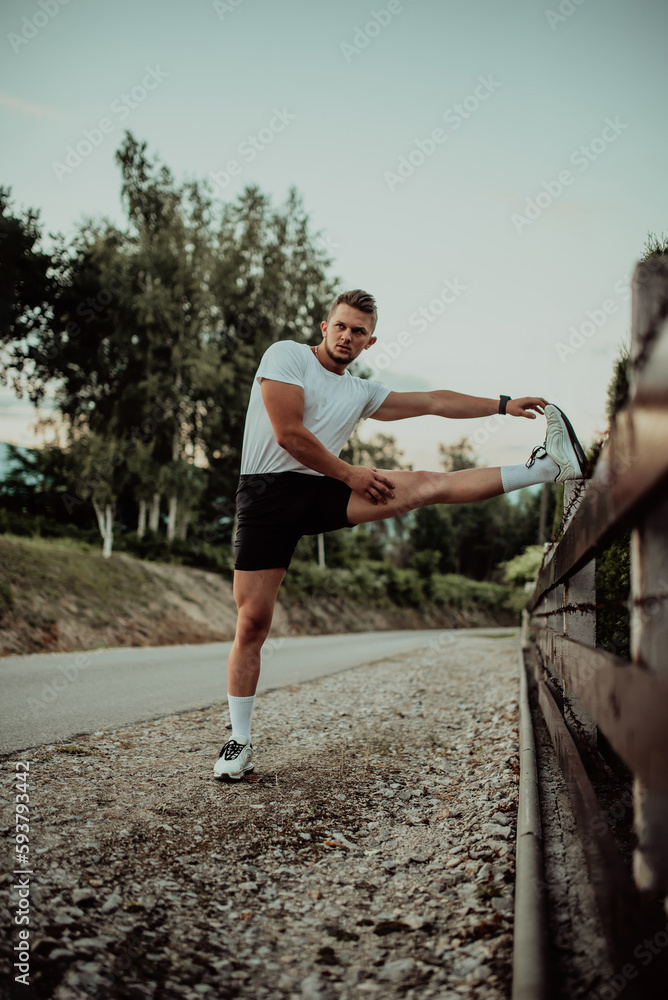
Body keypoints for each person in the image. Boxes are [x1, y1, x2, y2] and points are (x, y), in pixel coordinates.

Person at [213, 288, 587, 780]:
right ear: (325, 327)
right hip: (267, 495)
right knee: (252, 624)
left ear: (370, 342)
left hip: (326, 486)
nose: (348, 336)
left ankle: (547, 470)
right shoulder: (286, 356)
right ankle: (239, 742)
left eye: (359, 331)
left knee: (427, 485)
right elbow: (290, 434)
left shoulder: (361, 392)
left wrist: (502, 404)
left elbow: (434, 401)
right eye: (341, 326)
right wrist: (350, 474)